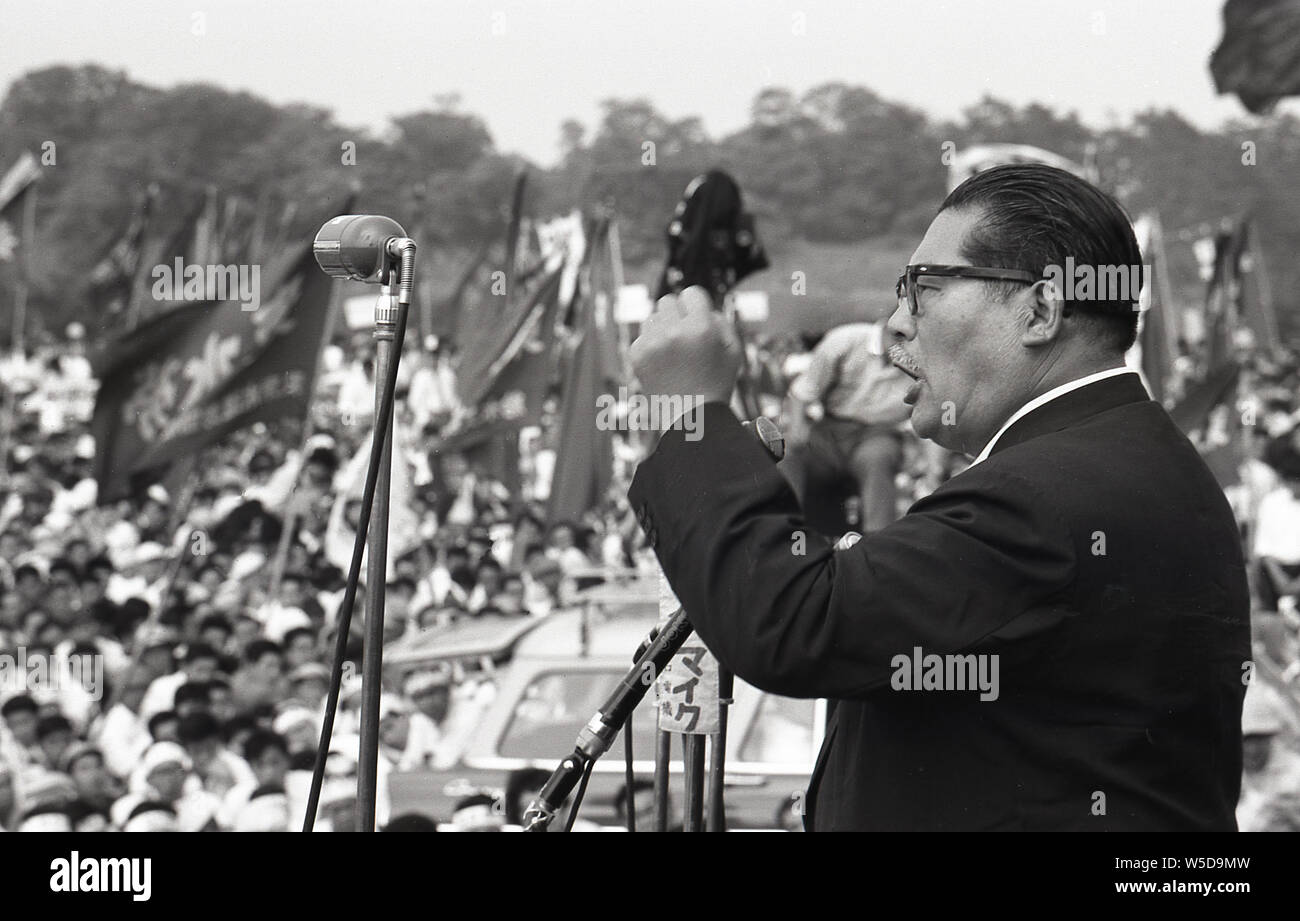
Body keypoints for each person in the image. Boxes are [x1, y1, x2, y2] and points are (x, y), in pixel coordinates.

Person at [626, 164, 1250, 831]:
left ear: (1040, 309)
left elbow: (793, 620)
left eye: (924, 289)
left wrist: (689, 416)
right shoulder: (1118, 458)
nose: (895, 325)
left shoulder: (1044, 496)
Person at [781, 321, 913, 535]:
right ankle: (783, 528)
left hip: (878, 433)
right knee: (787, 452)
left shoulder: (921, 358)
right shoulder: (844, 341)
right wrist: (797, 431)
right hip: (830, 428)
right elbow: (801, 393)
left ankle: (875, 540)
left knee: (877, 458)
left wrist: (933, 470)